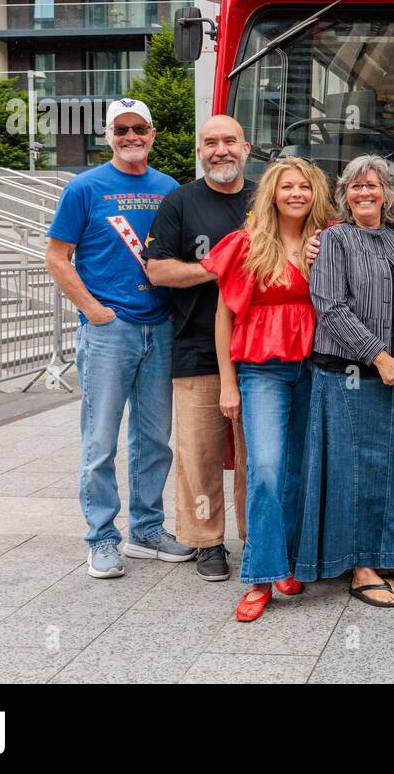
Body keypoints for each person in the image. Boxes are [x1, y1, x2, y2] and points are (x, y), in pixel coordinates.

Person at [45, 98, 192, 578]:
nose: (131, 137)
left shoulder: (169, 188)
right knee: (101, 439)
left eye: (140, 128)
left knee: (154, 438)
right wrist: (93, 311)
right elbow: (56, 257)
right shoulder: (84, 188)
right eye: (121, 129)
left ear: (153, 133)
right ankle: (102, 537)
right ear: (108, 134)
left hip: (160, 326)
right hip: (111, 331)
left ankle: (147, 529)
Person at [296, 155, 394, 608]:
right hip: (350, 375)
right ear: (345, 194)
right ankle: (358, 570)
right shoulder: (335, 239)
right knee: (353, 474)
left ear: (386, 192)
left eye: (372, 185)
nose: (364, 193)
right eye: (355, 187)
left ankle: (381, 559)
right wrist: (380, 357)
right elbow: (330, 306)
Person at [204, 158, 333, 621]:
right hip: (262, 369)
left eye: (304, 186)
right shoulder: (246, 244)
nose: (295, 193)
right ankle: (260, 578)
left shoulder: (331, 239)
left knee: (299, 469)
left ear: (315, 192)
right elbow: (223, 317)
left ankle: (287, 564)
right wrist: (228, 382)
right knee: (265, 468)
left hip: (317, 368)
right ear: (272, 194)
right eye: (286, 187)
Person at [142, 115, 255, 582]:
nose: (221, 150)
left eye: (230, 140)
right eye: (211, 143)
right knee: (199, 454)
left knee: (260, 455)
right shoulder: (180, 202)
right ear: (200, 152)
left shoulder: (265, 199)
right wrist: (217, 267)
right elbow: (158, 270)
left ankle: (257, 537)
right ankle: (207, 541)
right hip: (196, 347)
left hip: (261, 349)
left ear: (245, 148)